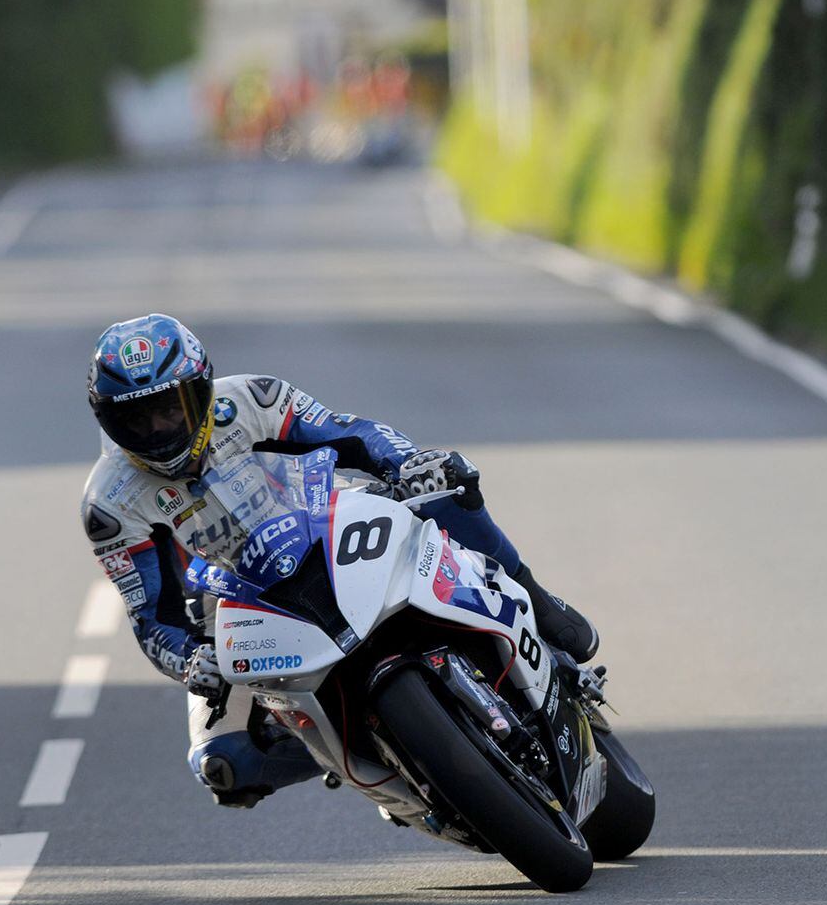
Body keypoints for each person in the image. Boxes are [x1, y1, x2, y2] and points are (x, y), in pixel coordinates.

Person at [81, 314, 599, 808]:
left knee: (448, 479)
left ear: (202, 390)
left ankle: (535, 598)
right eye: (136, 418)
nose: (158, 429)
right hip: (239, 603)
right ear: (109, 420)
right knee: (224, 767)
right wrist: (193, 662)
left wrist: (407, 463)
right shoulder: (109, 506)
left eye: (170, 408)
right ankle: (374, 756)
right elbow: (152, 618)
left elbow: (354, 433)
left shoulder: (252, 399)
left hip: (329, 525)